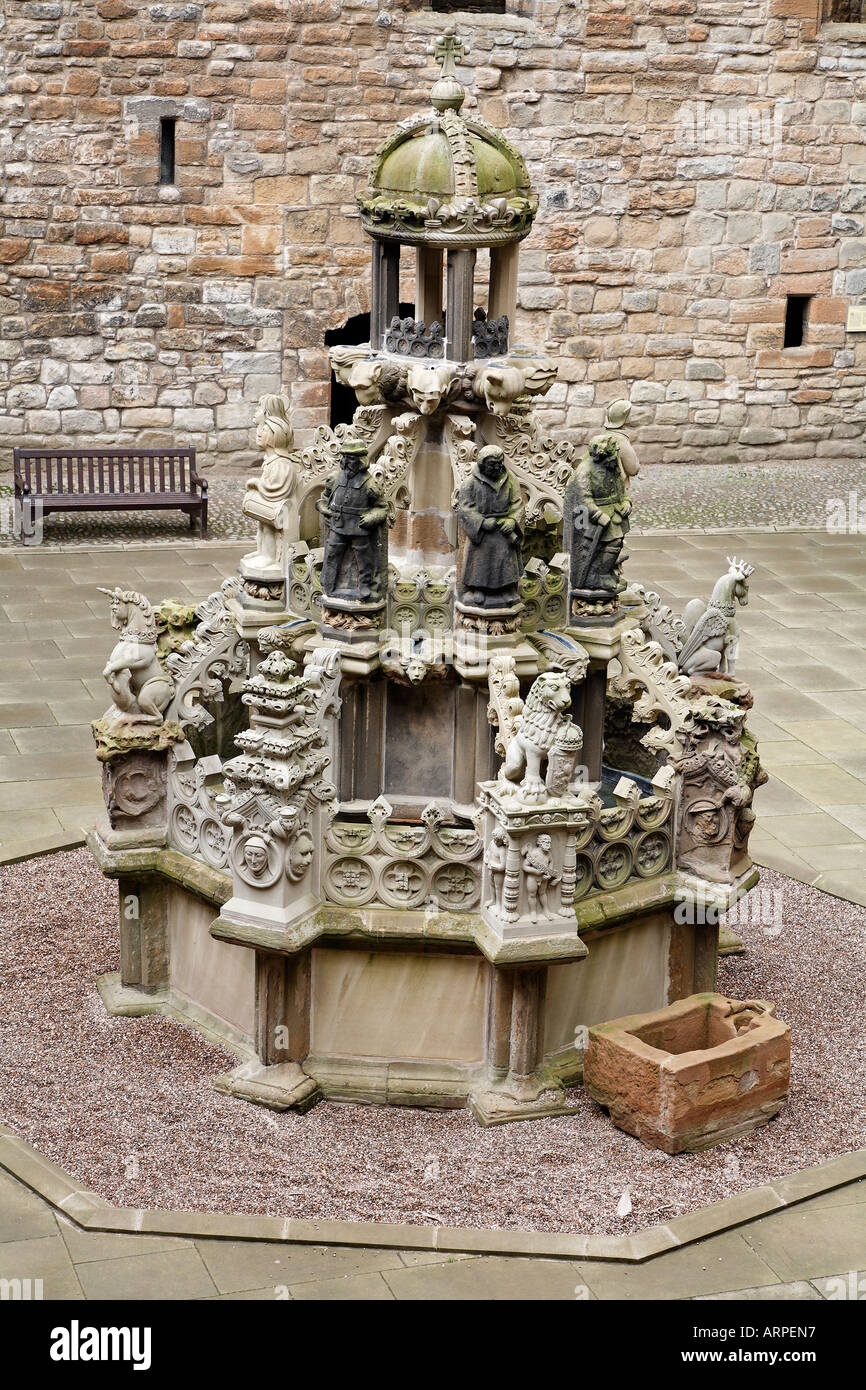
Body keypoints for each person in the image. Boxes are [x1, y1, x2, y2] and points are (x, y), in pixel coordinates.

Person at [457, 445, 524, 609]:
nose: (497, 467)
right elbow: (465, 508)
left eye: (499, 463)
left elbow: (518, 503)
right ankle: (479, 589)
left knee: (505, 561)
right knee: (480, 562)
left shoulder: (510, 479)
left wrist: (513, 521)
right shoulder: (470, 483)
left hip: (503, 530)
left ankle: (506, 589)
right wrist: (480, 522)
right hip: (483, 533)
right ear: (482, 464)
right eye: (492, 464)